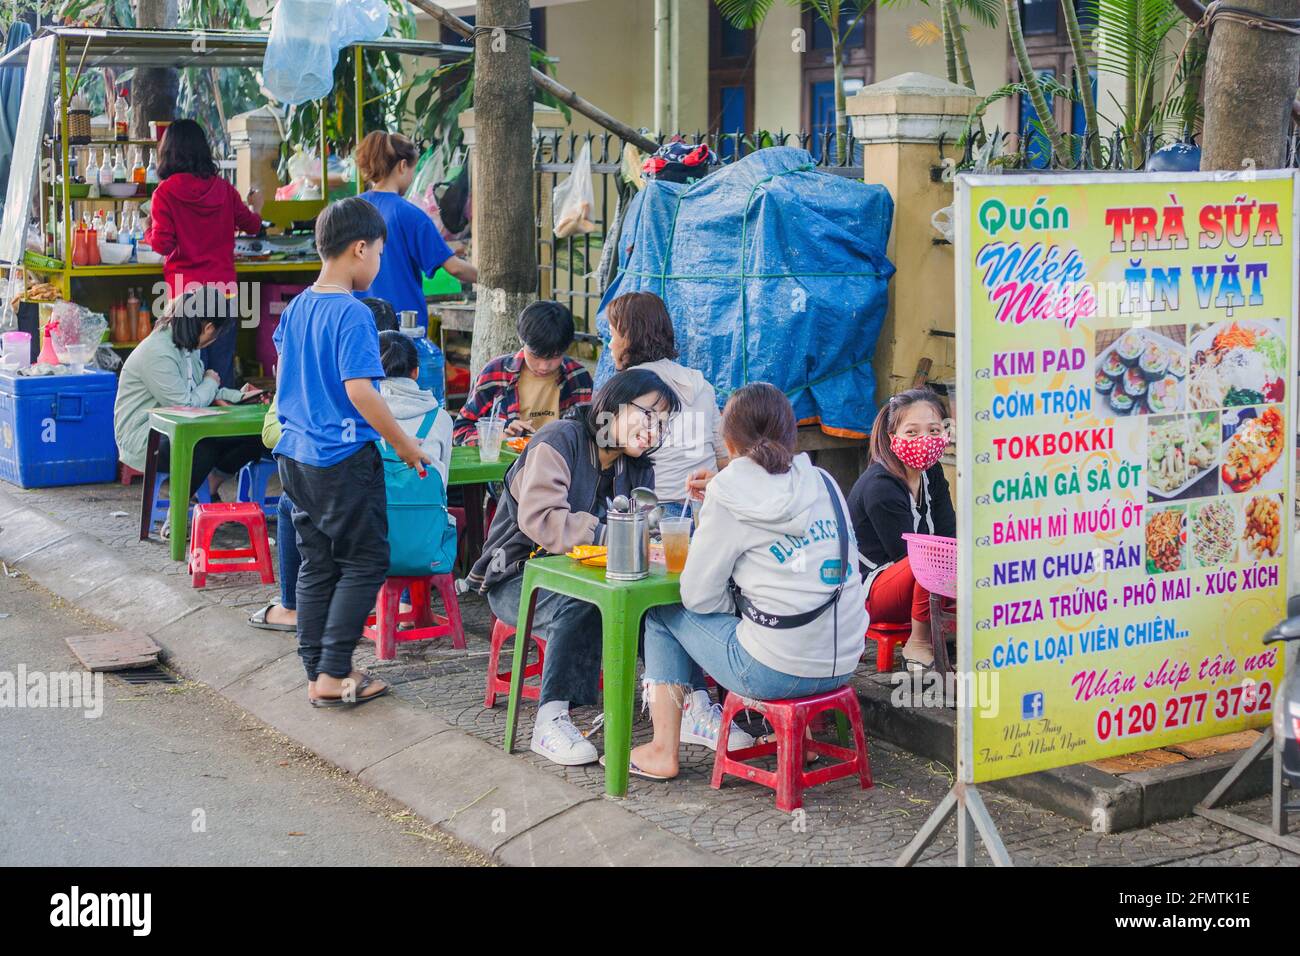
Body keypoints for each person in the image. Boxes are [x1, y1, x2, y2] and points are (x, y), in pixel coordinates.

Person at [628, 382, 865, 781]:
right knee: (788, 605)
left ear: (729, 440)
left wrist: (715, 506)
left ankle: (663, 749)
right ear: (791, 433)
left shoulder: (727, 491)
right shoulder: (822, 481)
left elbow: (697, 596)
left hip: (774, 672)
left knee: (662, 611)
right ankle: (799, 739)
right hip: (843, 660)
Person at [466, 368, 680, 766]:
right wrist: (616, 536)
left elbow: (640, 529)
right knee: (582, 601)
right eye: (647, 415)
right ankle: (550, 721)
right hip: (518, 576)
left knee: (665, 605)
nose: (654, 430)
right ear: (613, 406)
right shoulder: (559, 439)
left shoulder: (635, 466)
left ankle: (696, 708)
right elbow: (542, 519)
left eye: (663, 424)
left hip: (590, 575)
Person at [272, 197, 431, 708]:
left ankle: (318, 668)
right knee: (366, 560)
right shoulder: (353, 314)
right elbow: (362, 391)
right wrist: (405, 444)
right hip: (340, 457)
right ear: (359, 249)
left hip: (294, 455)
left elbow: (282, 377)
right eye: (380, 254)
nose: (380, 264)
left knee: (318, 561)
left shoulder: (298, 306)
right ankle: (334, 669)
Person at [248, 299, 401, 633]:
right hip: (336, 478)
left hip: (371, 489)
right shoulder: (316, 380)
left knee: (336, 557)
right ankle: (321, 651)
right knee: (325, 554)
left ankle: (310, 630)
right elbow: (273, 431)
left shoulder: (393, 376)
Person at [113, 290, 265, 537]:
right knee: (201, 446)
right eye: (216, 333)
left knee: (254, 436)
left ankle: (209, 487)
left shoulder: (186, 345)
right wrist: (211, 382)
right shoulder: (158, 352)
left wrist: (240, 396)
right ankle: (177, 515)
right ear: (207, 327)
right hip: (145, 437)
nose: (214, 340)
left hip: (178, 427)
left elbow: (200, 388)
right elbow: (186, 404)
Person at [144, 118, 264, 387]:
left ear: (168, 152)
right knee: (220, 372)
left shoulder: (165, 193)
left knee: (188, 375)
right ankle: (225, 426)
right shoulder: (224, 189)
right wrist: (257, 206)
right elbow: (253, 225)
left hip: (184, 296)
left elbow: (162, 245)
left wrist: (147, 231)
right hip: (224, 292)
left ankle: (192, 426)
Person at [355, 130, 476, 395]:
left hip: (358, 328)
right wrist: (492, 275)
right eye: (412, 169)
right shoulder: (409, 214)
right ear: (402, 166)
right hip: (403, 335)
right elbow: (454, 267)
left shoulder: (353, 209)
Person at [847, 388, 956, 671]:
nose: (925, 440)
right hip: (871, 594)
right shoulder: (880, 485)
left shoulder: (932, 473)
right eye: (912, 432)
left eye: (934, 431)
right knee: (928, 557)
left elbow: (949, 532)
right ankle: (918, 644)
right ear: (892, 437)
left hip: (921, 582)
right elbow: (905, 555)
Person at [606, 290, 727, 513]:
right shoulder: (701, 384)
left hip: (655, 512)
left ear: (629, 337)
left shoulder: (627, 387)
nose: (610, 344)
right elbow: (723, 457)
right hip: (709, 508)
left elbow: (605, 456)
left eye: (612, 334)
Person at [452, 301, 593, 445]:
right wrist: (498, 437)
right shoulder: (496, 373)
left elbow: (592, 434)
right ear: (522, 340)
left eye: (554, 357)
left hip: (561, 464)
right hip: (507, 465)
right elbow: (460, 431)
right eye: (536, 356)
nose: (544, 366)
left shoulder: (578, 377)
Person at [377, 331, 453, 485]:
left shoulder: (362, 415)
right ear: (416, 371)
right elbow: (443, 483)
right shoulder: (441, 418)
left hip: (375, 508)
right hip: (428, 509)